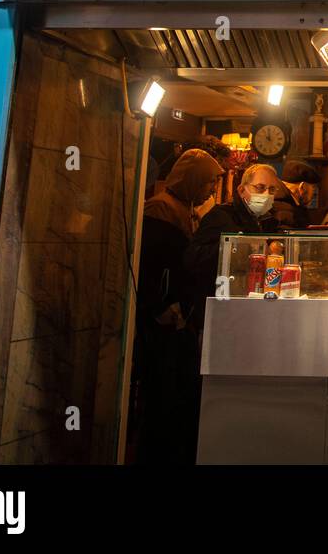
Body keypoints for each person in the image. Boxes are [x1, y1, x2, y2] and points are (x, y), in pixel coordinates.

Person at [133, 148, 222, 465]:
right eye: (209, 182)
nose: (212, 189)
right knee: (163, 395)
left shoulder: (186, 209)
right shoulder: (161, 209)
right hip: (164, 322)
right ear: (193, 180)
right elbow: (151, 266)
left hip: (180, 319)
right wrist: (161, 306)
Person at [183, 162, 282, 332]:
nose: (266, 194)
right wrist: (240, 248)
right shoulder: (221, 217)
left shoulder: (268, 221)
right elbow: (193, 259)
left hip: (249, 307)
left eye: (271, 190)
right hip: (220, 305)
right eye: (260, 187)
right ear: (242, 190)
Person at [272, 160, 319, 229]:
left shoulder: (277, 202)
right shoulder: (288, 212)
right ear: (302, 187)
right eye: (313, 188)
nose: (313, 194)